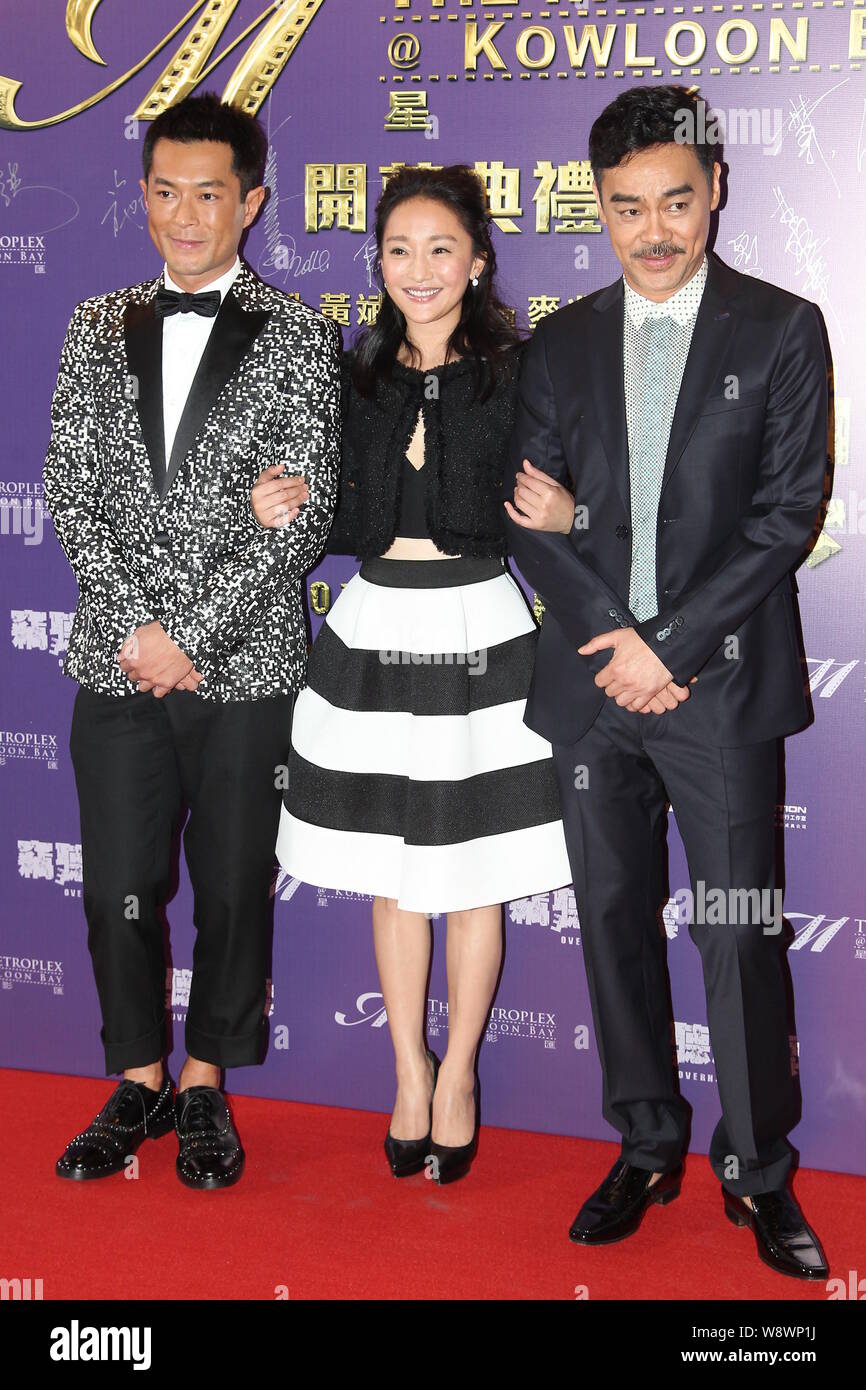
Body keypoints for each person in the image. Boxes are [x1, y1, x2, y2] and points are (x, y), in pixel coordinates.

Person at [504, 85, 830, 1278]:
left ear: (714, 192)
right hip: (594, 687)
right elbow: (531, 520)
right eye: (627, 206)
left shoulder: (779, 328)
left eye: (675, 203)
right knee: (608, 919)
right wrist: (618, 643)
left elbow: (783, 514)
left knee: (737, 933)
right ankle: (644, 1142)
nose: (653, 231)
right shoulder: (560, 338)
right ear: (596, 205)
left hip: (722, 690)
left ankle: (757, 1172)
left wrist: (671, 646)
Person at [253, 164, 572, 1185]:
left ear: (477, 259)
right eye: (399, 250)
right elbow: (332, 520)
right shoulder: (352, 375)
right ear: (377, 262)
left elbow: (571, 498)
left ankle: (460, 1077)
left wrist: (570, 511)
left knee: (472, 878)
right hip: (375, 625)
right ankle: (404, 1072)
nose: (419, 269)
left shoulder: (521, 373)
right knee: (394, 877)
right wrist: (289, 500)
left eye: (441, 248)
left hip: (482, 625)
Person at [43, 92, 339, 1190]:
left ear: (251, 201)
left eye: (207, 193)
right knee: (117, 883)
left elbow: (299, 516)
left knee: (227, 884)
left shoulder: (304, 337)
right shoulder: (92, 323)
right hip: (117, 663)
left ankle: (206, 1080)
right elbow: (73, 490)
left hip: (245, 665)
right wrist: (138, 630)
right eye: (164, 191)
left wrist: (193, 635)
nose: (184, 214)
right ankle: (136, 1075)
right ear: (145, 196)